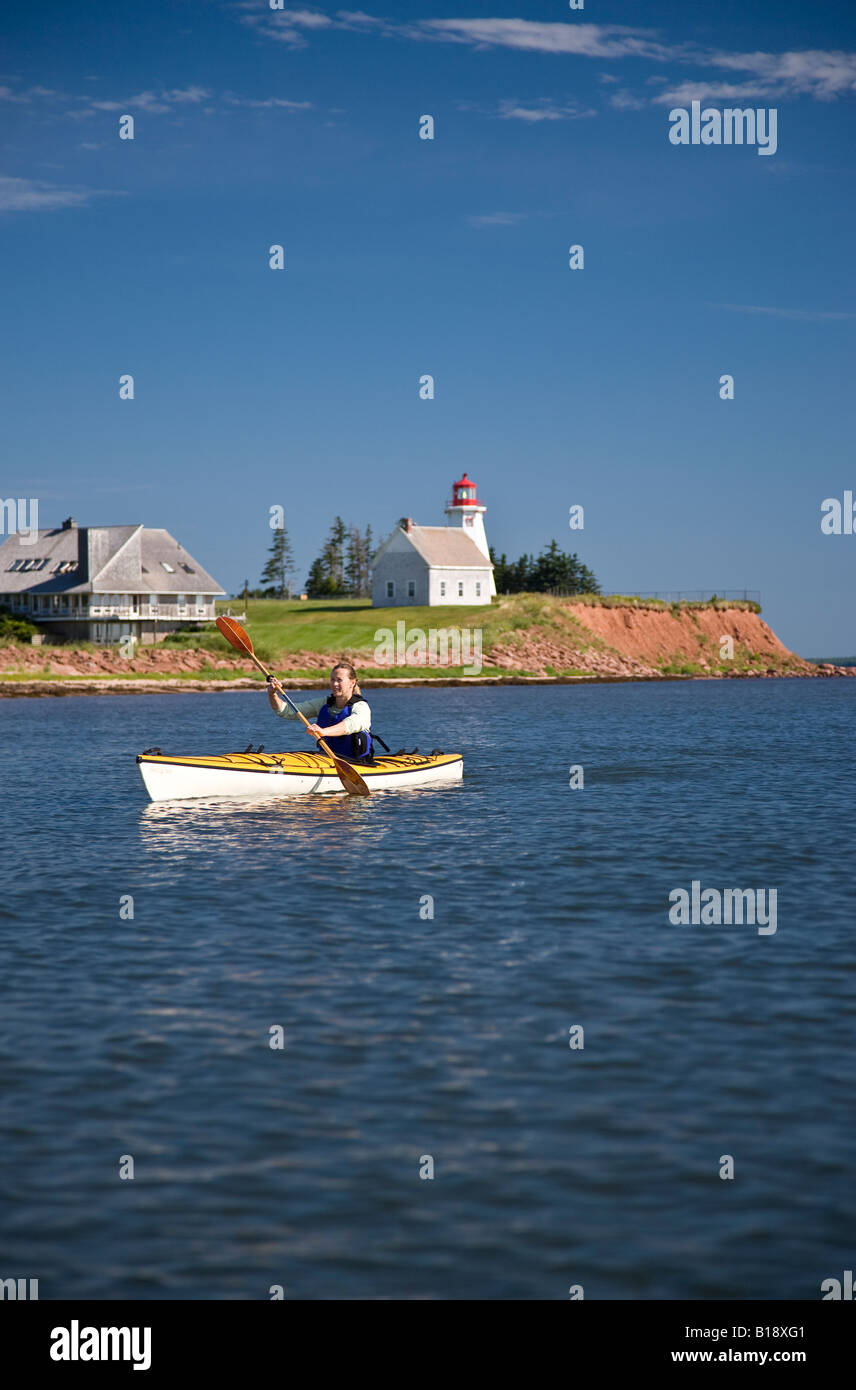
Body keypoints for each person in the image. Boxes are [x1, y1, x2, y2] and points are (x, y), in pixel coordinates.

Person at [267, 662, 374, 763]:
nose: (334, 684)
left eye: (339, 680)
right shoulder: (324, 703)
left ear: (352, 683)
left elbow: (352, 724)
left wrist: (324, 731)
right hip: (326, 761)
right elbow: (287, 711)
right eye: (332, 680)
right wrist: (273, 694)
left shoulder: (361, 706)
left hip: (355, 763)